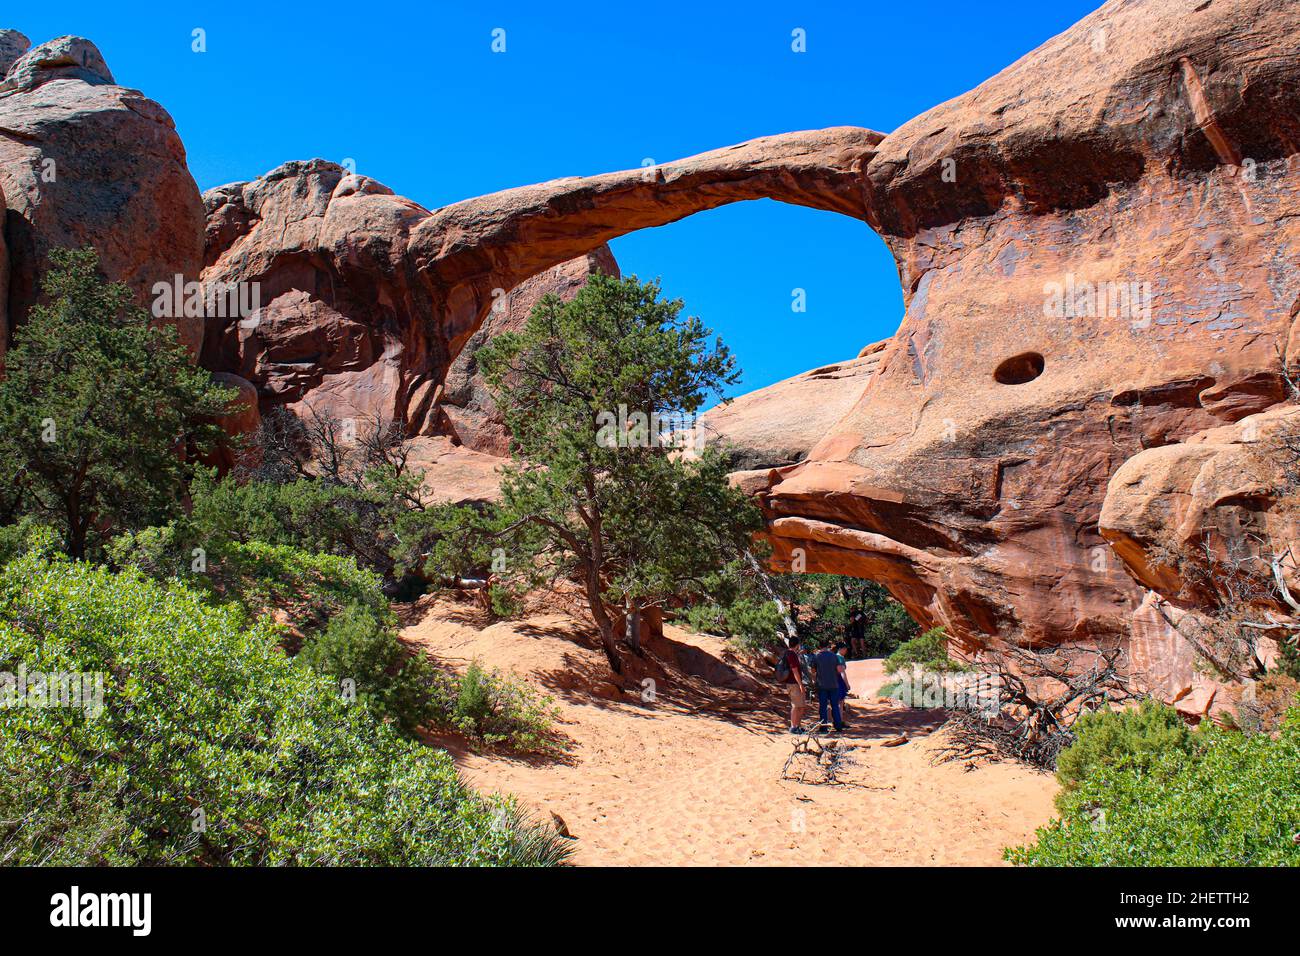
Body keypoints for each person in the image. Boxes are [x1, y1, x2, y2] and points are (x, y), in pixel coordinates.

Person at [812, 639, 847, 732]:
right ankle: (838, 725)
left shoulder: (817, 657)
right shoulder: (834, 656)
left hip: (822, 685)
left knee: (823, 706)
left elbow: (813, 671)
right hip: (833, 684)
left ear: (819, 646)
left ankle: (823, 727)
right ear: (827, 646)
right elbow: (839, 669)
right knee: (835, 705)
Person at [781, 637, 806, 733]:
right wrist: (800, 684)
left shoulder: (789, 653)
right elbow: (795, 670)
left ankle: (797, 726)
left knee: (800, 705)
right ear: (797, 645)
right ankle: (793, 727)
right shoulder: (791, 654)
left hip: (791, 683)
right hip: (794, 683)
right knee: (796, 705)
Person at [834, 641, 852, 725]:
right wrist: (847, 684)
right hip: (839, 681)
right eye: (845, 649)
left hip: (833, 681)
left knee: (837, 702)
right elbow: (842, 673)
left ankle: (837, 720)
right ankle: (839, 721)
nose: (846, 650)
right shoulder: (840, 658)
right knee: (840, 702)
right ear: (840, 649)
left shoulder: (833, 657)